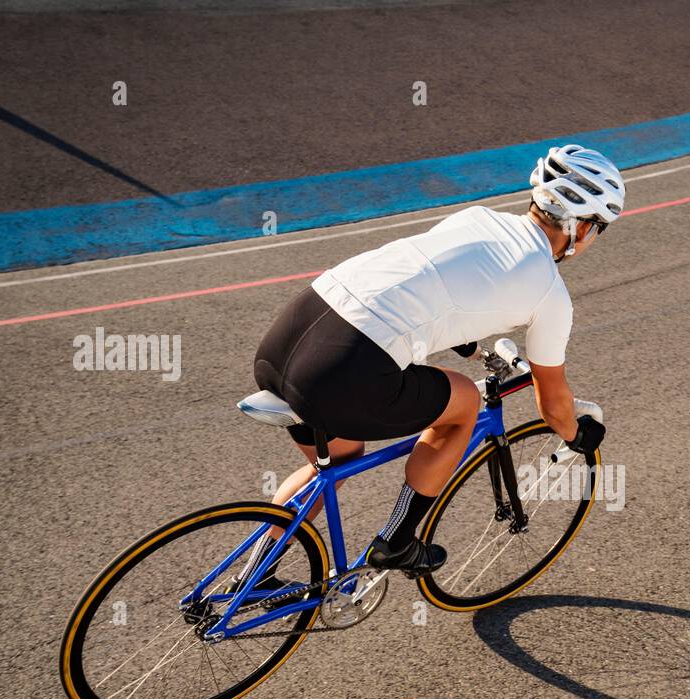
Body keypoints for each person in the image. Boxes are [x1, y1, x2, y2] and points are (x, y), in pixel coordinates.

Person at [249, 144, 620, 584]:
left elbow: (436, 278)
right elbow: (554, 406)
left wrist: (471, 348)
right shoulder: (550, 294)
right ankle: (397, 542)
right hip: (345, 367)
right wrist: (578, 433)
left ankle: (252, 579)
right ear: (581, 228)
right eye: (598, 229)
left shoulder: (479, 217)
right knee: (462, 405)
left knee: (336, 458)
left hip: (292, 332)